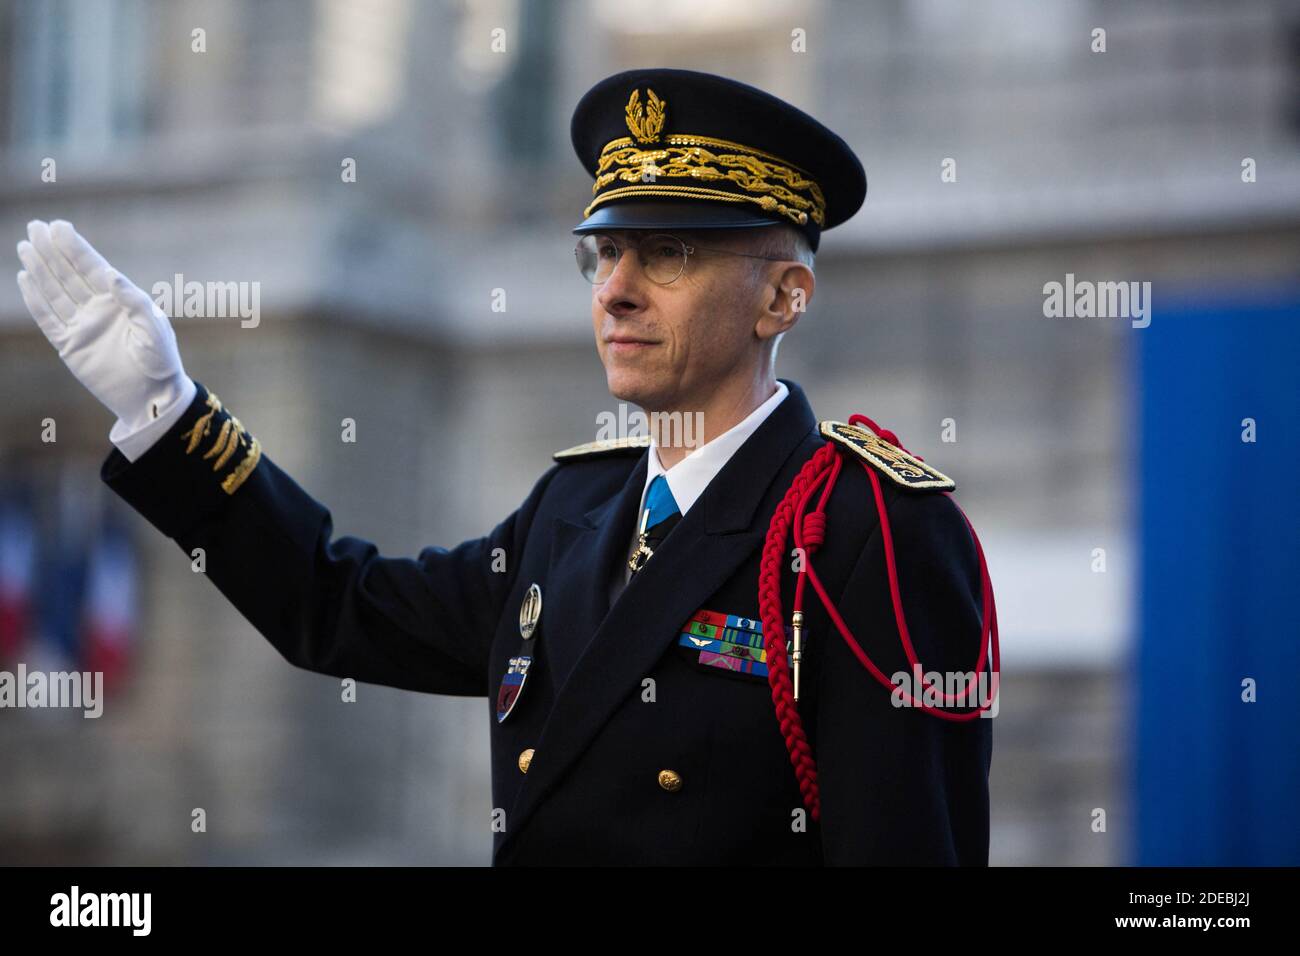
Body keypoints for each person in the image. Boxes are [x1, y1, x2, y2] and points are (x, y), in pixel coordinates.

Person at [14, 68, 996, 865]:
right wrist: (169, 413)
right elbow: (339, 605)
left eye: (668, 252)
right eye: (601, 254)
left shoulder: (868, 531)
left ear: (783, 297)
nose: (613, 290)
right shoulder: (574, 506)